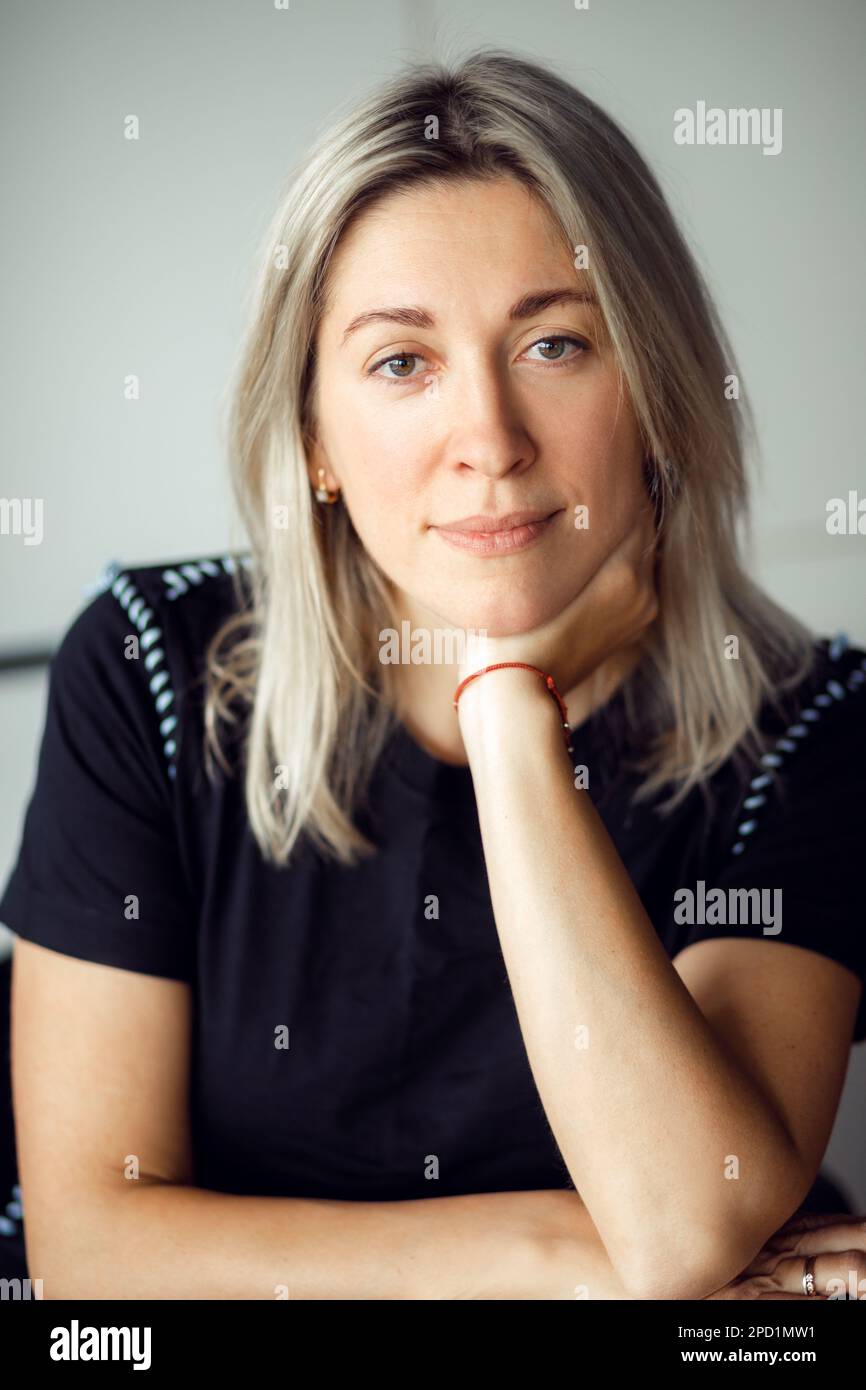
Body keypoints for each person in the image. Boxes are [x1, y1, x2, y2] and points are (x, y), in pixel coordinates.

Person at [3, 49, 865, 1301]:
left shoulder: (811, 727)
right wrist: (574, 1261)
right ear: (315, 440)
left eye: (555, 344)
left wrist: (506, 705)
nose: (490, 444)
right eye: (401, 362)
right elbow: (91, 1252)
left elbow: (686, 1219)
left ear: (657, 387)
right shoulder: (150, 666)